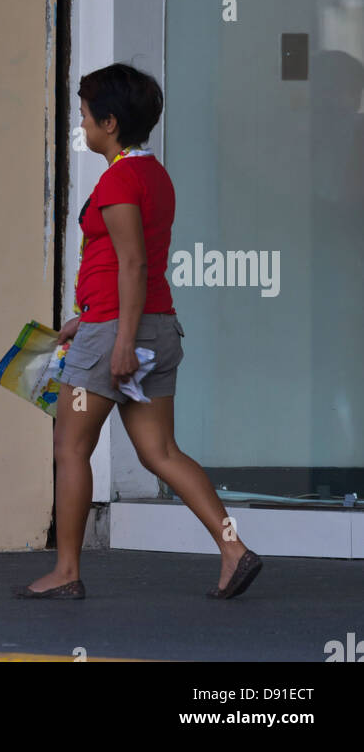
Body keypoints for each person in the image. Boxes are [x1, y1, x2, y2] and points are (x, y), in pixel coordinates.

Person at [15, 62, 262, 600]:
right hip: (147, 326)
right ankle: (232, 549)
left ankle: (66, 572)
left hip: (118, 334)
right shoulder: (154, 174)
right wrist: (92, 315)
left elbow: (133, 264)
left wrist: (118, 339)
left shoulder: (120, 178)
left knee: (71, 447)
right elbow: (131, 261)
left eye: (84, 116)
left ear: (109, 122)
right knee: (163, 452)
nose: (80, 125)